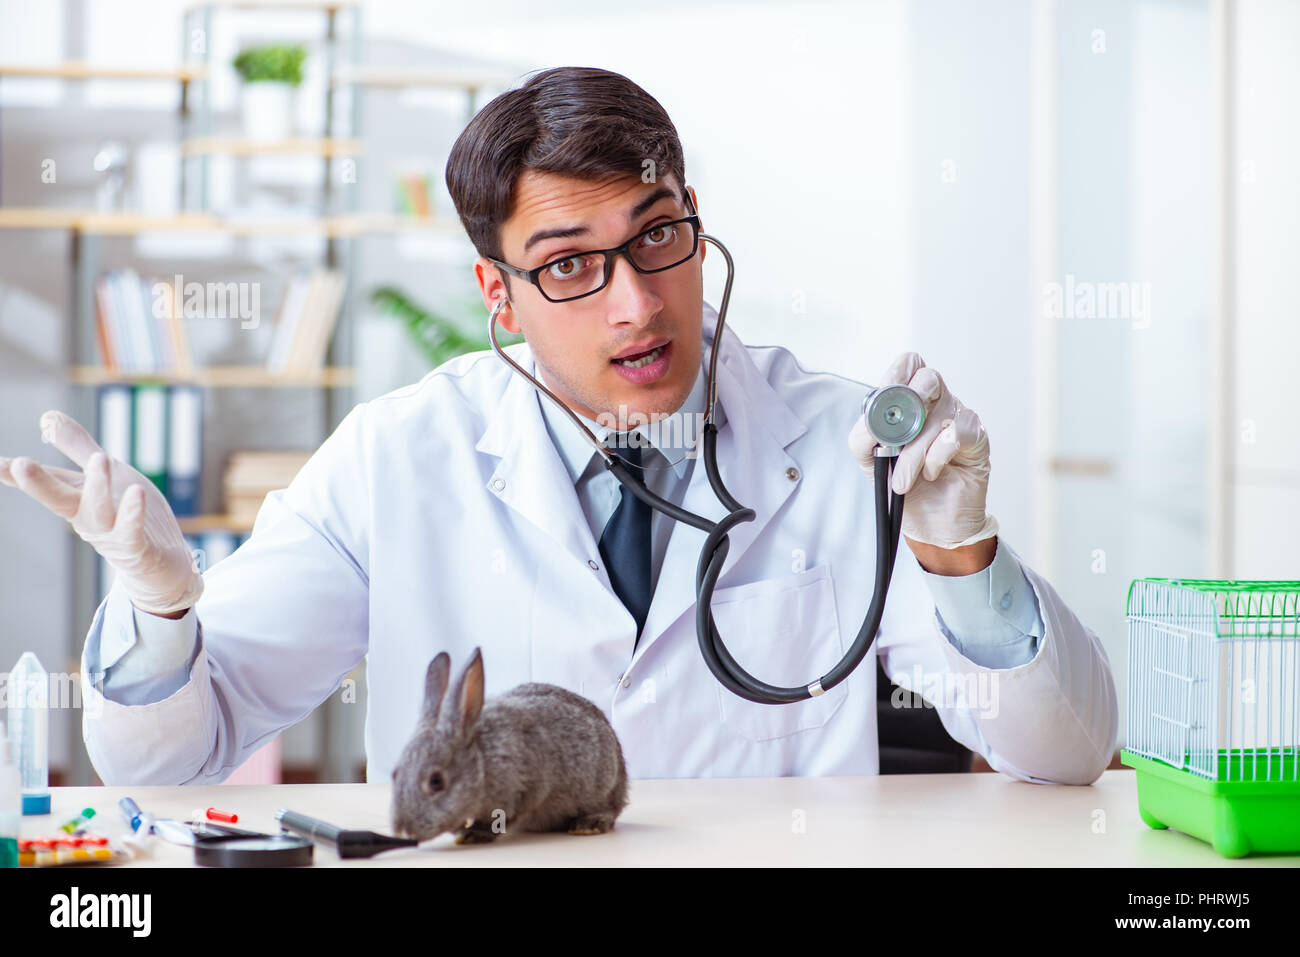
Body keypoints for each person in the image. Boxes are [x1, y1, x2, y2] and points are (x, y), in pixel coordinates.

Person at [0, 66, 1116, 787]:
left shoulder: (833, 443)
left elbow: (1067, 753)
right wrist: (158, 605)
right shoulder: (398, 461)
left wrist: (958, 551)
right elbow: (173, 759)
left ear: (694, 227)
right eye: (571, 265)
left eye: (656, 238)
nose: (635, 303)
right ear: (499, 298)